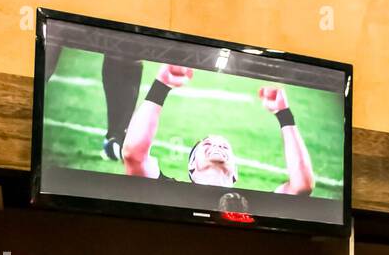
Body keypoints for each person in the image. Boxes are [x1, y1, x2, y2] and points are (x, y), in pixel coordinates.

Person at [122, 64, 315, 195]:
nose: (217, 145)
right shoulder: (169, 191)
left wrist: (284, 114)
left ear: (236, 173)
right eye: (207, 144)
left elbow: (301, 186)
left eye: (224, 146)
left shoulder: (254, 204)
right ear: (191, 166)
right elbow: (134, 154)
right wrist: (161, 85)